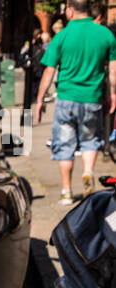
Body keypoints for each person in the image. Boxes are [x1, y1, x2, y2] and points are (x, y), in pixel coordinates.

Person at [36, 0, 116, 203]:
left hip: (66, 98)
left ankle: (66, 191)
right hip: (92, 98)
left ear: (70, 10)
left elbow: (49, 70)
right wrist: (113, 95)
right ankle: (88, 171)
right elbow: (113, 72)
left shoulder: (61, 36)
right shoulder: (106, 35)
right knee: (90, 141)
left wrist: (40, 99)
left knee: (65, 145)